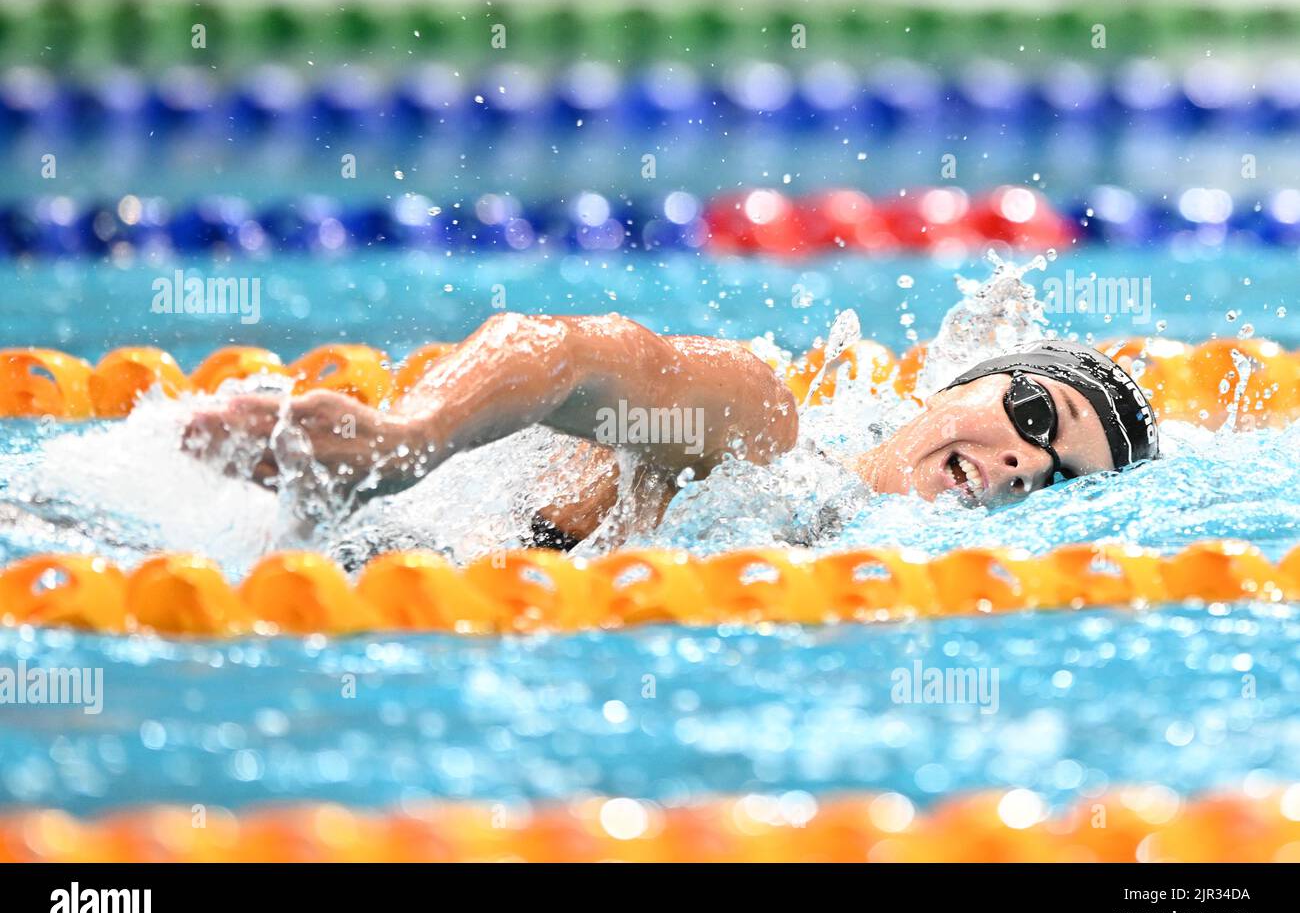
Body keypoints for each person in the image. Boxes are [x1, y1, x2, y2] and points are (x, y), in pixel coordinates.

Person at [183, 313, 1159, 549]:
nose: (1025, 462)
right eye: (1035, 415)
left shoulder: (833, 548)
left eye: (1058, 475)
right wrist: (410, 438)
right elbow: (573, 350)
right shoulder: (763, 434)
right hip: (232, 524)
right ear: (966, 382)